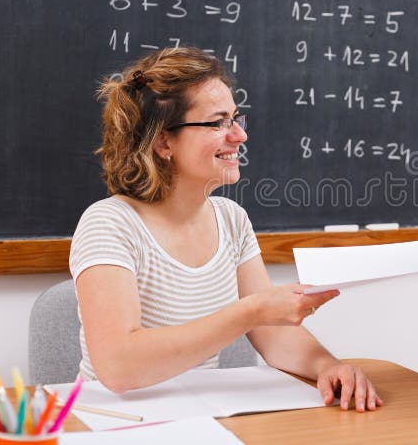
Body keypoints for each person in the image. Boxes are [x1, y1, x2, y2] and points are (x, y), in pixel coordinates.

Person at [69, 47, 382, 412]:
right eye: (217, 123)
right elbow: (119, 367)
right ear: (163, 142)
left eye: (236, 119)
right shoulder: (110, 224)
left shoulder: (231, 219)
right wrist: (251, 311)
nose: (238, 136)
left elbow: (272, 334)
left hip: (199, 416)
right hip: (112, 420)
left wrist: (328, 366)